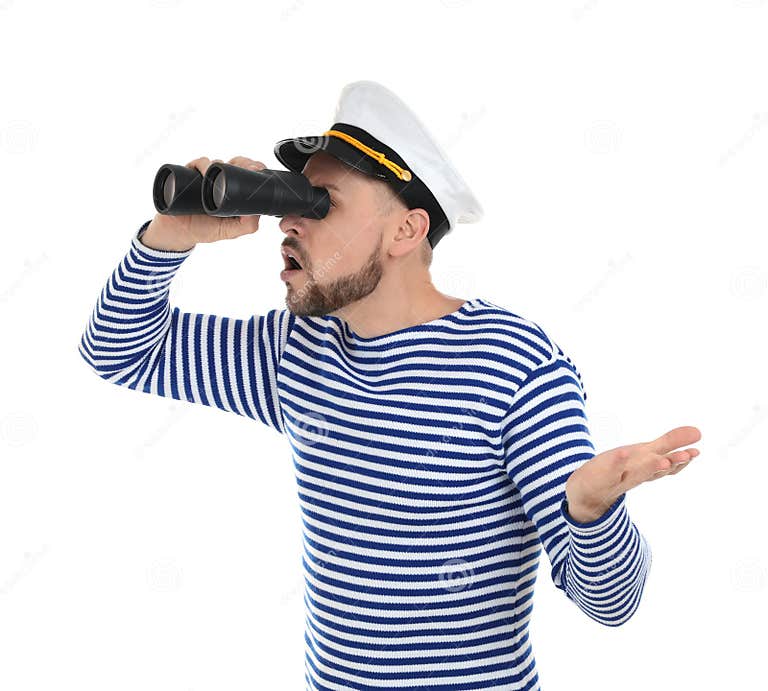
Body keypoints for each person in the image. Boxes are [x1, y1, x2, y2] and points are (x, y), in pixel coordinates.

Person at [78, 80, 700, 690]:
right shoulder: (297, 350)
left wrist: (592, 513)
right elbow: (117, 351)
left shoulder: (510, 363)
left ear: (406, 232)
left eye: (322, 201)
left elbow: (612, 605)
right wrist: (169, 239)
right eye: (291, 198)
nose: (288, 220)